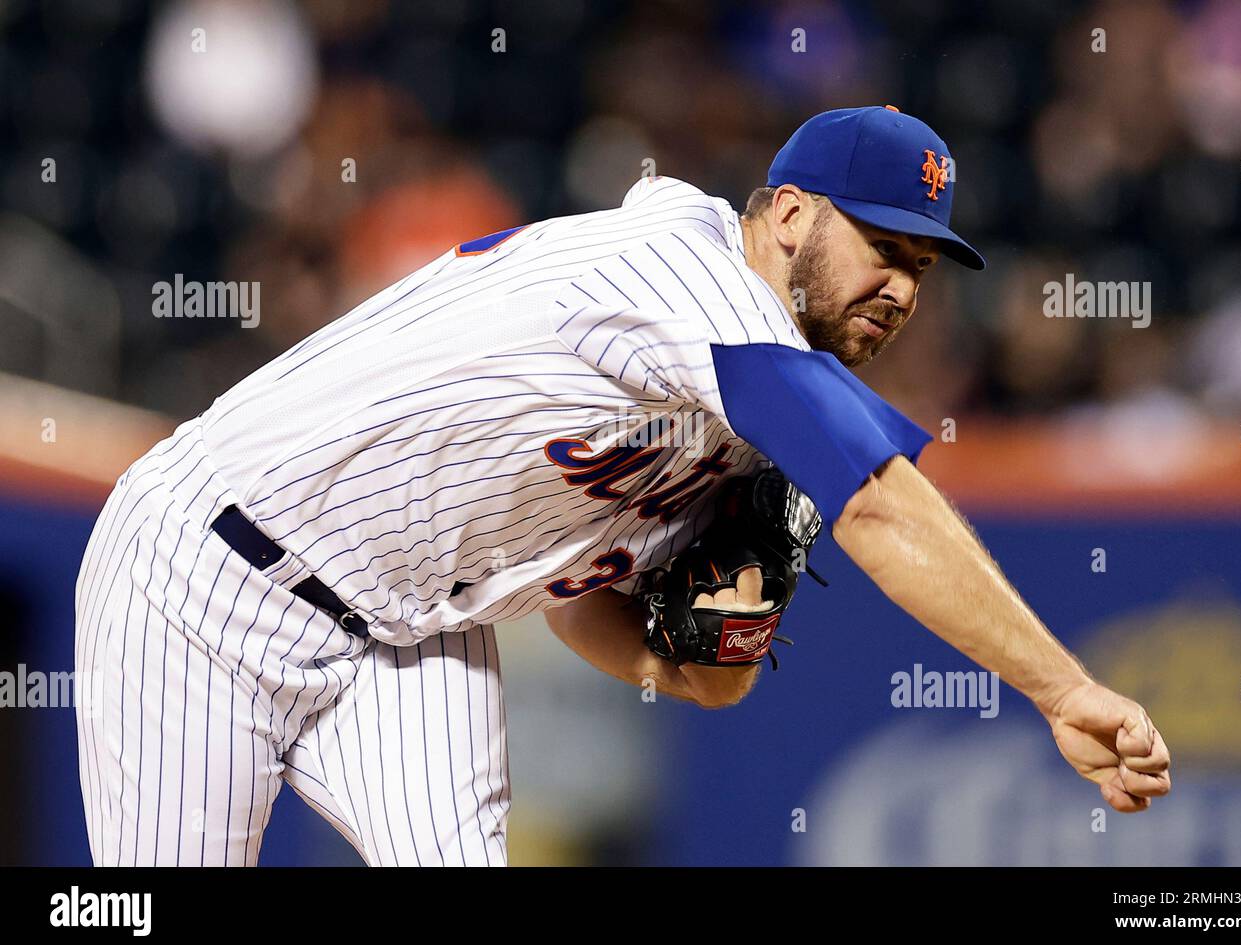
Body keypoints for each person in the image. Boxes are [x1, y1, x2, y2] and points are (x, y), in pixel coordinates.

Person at [74, 106, 1170, 867]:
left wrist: (694, 656)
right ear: (788, 214)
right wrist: (1061, 689)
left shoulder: (743, 416)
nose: (897, 286)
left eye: (919, 270)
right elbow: (877, 500)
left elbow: (601, 616)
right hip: (208, 572)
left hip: (408, 625)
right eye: (879, 245)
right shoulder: (682, 277)